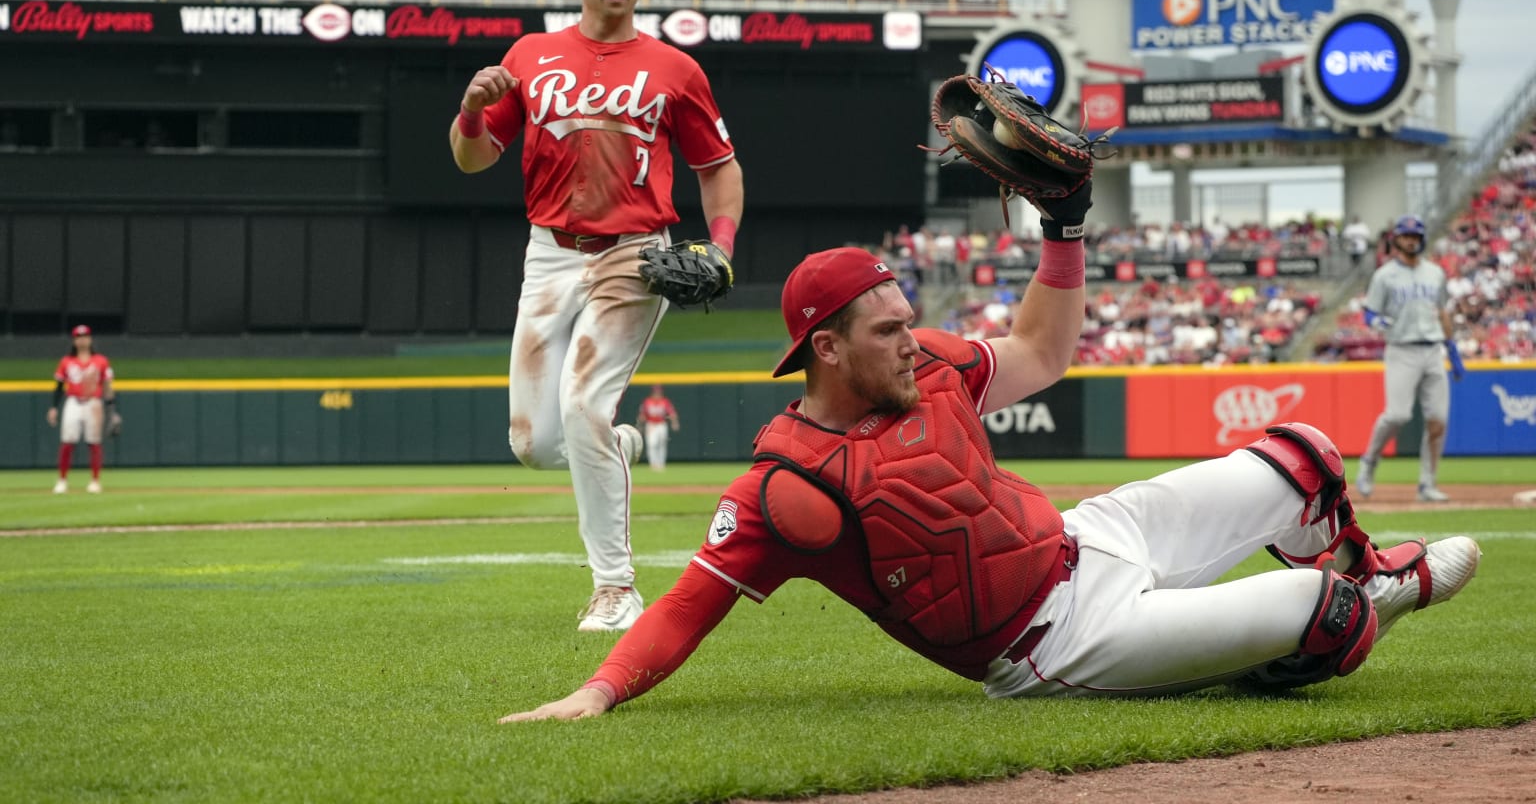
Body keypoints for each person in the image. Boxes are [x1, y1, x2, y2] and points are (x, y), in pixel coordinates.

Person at [500, 186, 1481, 723]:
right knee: (1328, 614)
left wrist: (1061, 230)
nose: (910, 334)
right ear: (825, 349)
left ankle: (1356, 558)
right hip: (1047, 645)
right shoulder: (786, 484)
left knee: (1306, 453)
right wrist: (594, 695)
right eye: (885, 327)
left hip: (1088, 541)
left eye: (904, 317)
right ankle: (1329, 615)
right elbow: (683, 605)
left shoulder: (927, 362)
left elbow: (1046, 351)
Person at [448, 0, 744, 633]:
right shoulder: (529, 55)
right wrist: (468, 110)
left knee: (584, 404)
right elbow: (472, 160)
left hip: (634, 255)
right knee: (532, 444)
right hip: (548, 254)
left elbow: (719, 167)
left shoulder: (675, 66)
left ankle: (615, 588)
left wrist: (722, 247)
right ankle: (616, 447)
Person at [1355, 215, 1465, 503]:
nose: (1411, 240)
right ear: (1396, 240)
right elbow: (1369, 312)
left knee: (1438, 420)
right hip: (1401, 349)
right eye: (1406, 236)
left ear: (1422, 239)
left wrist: (1451, 346)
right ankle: (1369, 461)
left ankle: (1427, 483)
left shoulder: (1434, 273)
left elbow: (1441, 311)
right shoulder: (1384, 275)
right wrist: (1376, 319)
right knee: (1398, 415)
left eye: (1415, 236)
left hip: (1432, 349)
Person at [46, 325, 117, 495]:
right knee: (67, 442)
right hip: (73, 401)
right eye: (79, 337)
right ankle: (62, 480)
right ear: (74, 340)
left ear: (90, 339)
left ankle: (95, 481)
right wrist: (54, 407)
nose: (82, 339)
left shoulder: (101, 360)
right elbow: (59, 386)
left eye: (85, 336)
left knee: (94, 442)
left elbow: (107, 386)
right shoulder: (66, 361)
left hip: (93, 402)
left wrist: (112, 409)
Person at [636, 383, 680, 471]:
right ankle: (653, 464)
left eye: (659, 391)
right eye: (656, 391)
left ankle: (661, 464)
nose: (657, 393)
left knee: (661, 444)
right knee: (652, 444)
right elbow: (642, 416)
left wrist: (675, 423)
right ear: (652, 392)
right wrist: (640, 426)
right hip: (651, 425)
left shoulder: (665, 401)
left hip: (661, 424)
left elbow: (672, 413)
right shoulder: (647, 401)